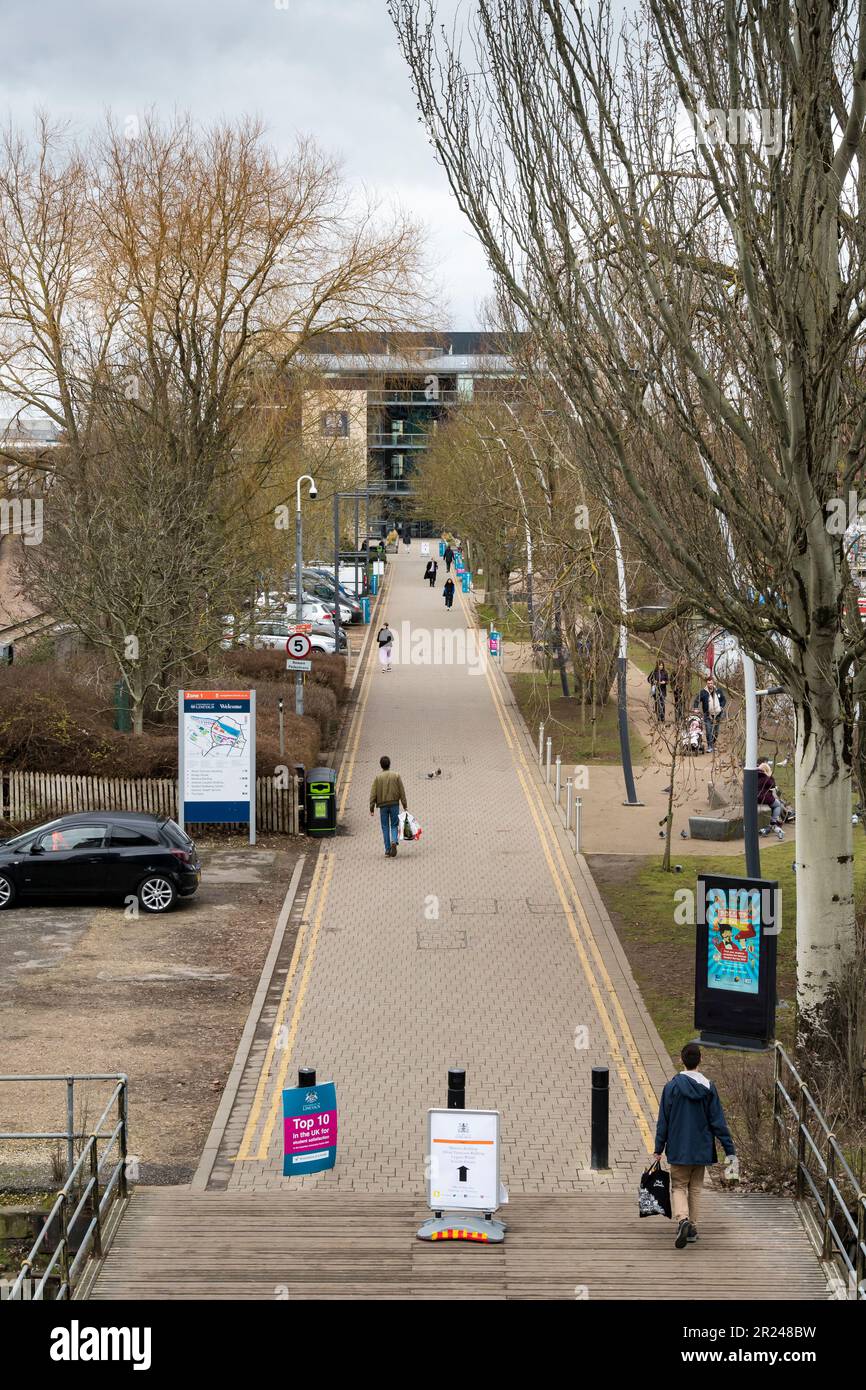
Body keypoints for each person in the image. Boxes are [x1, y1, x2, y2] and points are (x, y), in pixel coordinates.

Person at [651, 1041, 737, 1249]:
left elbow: (664, 1120)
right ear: (701, 1060)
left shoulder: (671, 1087)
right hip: (701, 1149)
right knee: (696, 1188)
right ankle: (693, 1228)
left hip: (679, 1148)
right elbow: (718, 1122)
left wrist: (658, 1148)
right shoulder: (709, 1088)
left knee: (679, 1185)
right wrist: (729, 1150)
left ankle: (683, 1220)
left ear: (681, 1060)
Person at [369, 754, 408, 857]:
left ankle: (387, 850)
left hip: (383, 806)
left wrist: (371, 808)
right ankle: (394, 841)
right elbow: (402, 791)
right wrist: (405, 805)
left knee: (385, 826)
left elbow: (373, 793)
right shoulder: (396, 776)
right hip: (394, 804)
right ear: (389, 764)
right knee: (394, 825)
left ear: (381, 765)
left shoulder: (378, 778)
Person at [695, 675, 727, 752]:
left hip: (717, 714)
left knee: (715, 732)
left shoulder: (718, 691)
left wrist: (722, 706)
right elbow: (696, 700)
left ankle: (712, 744)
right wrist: (695, 708)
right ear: (707, 683)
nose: (710, 685)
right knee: (709, 730)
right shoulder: (703, 692)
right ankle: (709, 746)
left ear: (713, 683)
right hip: (707, 714)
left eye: (711, 683)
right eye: (708, 683)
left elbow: (723, 700)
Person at [757, 759, 785, 840]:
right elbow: (773, 786)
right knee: (777, 805)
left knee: (774, 802)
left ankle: (768, 828)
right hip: (763, 797)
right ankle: (774, 822)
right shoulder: (766, 778)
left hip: (754, 797)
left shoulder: (753, 775)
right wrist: (770, 776)